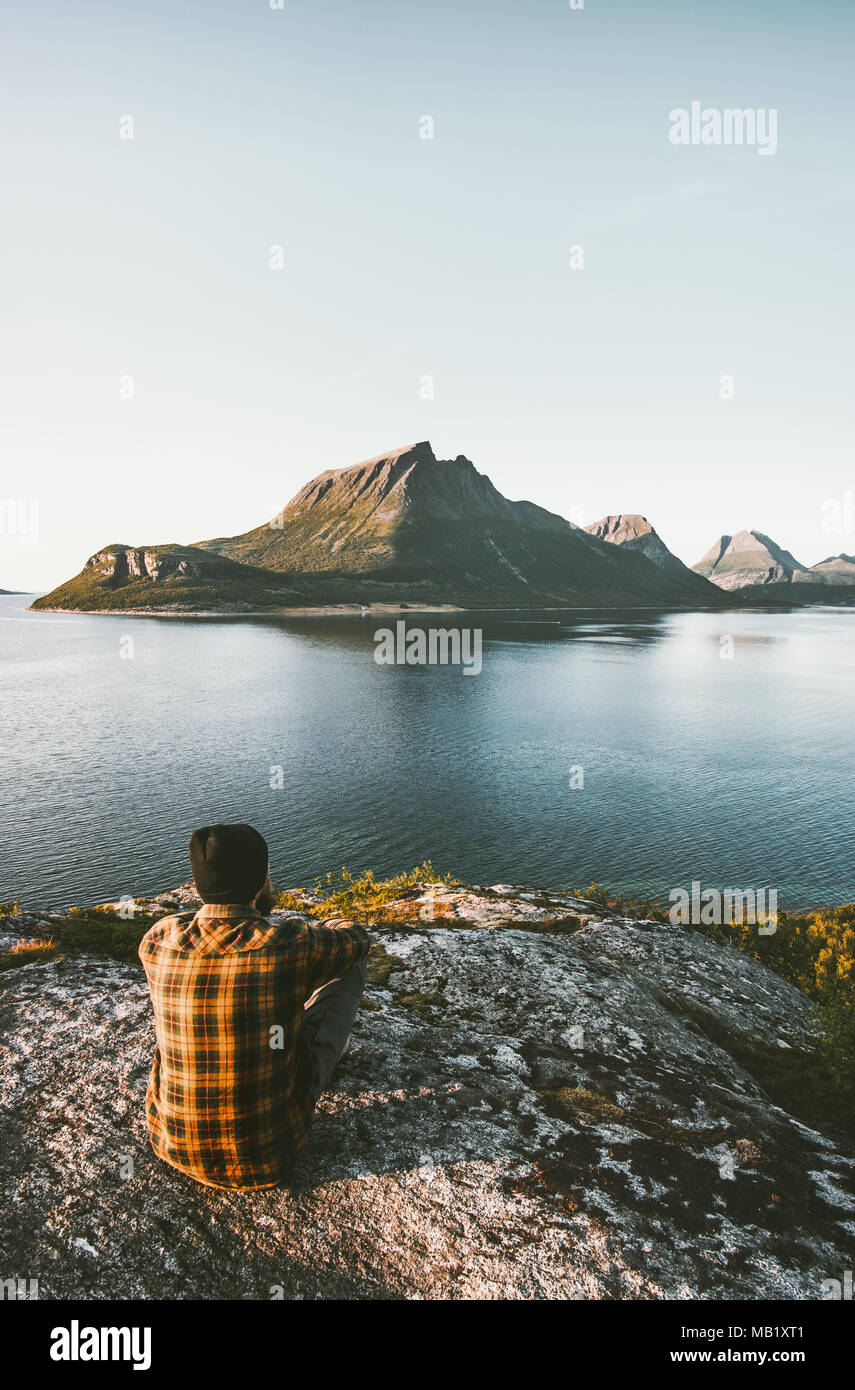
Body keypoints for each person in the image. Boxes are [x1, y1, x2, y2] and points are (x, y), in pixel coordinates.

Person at [138, 823, 369, 1190]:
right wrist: (331, 922)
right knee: (349, 968)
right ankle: (318, 1062)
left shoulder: (158, 941)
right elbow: (356, 941)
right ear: (262, 879)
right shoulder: (290, 943)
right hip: (270, 1156)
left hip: (172, 1145)